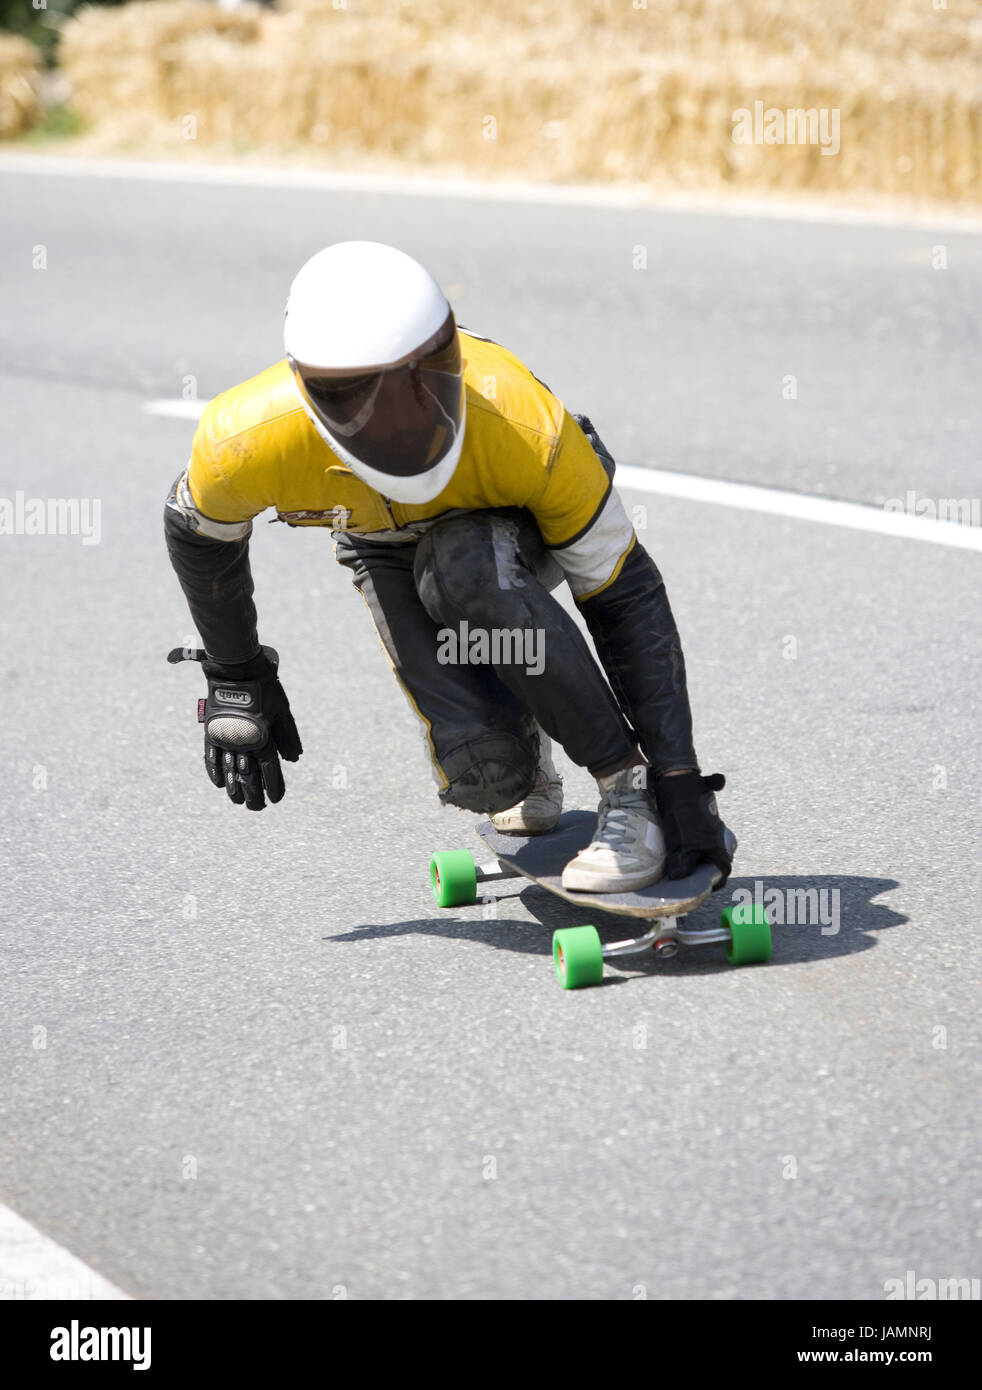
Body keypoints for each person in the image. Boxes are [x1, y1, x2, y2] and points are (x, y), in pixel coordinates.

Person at [165, 240, 732, 892]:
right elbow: (198, 535)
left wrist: (674, 780)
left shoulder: (527, 428)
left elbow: (621, 594)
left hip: (509, 528)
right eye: (358, 399)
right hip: (380, 543)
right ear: (309, 392)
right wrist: (237, 674)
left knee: (464, 573)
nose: (401, 422)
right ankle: (527, 748)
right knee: (485, 771)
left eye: (422, 382)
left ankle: (624, 791)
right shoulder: (244, 439)